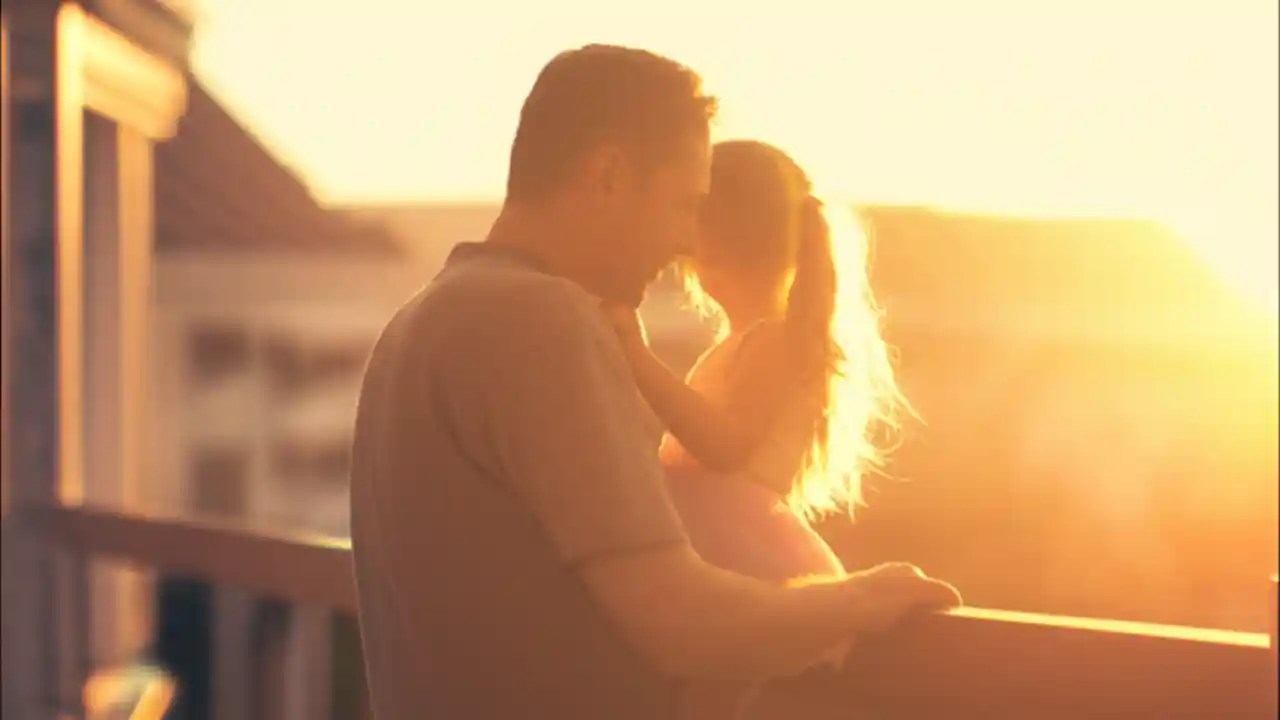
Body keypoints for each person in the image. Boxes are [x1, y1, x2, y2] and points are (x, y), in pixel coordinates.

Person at [349, 44, 959, 720]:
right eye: (682, 207)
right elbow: (679, 621)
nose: (684, 246)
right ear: (608, 174)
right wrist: (859, 601)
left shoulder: (422, 319)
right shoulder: (542, 321)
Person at [603, 140, 911, 716]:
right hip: (721, 542)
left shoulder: (772, 342)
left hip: (735, 553)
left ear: (710, 241)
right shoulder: (749, 340)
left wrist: (635, 355)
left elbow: (723, 446)